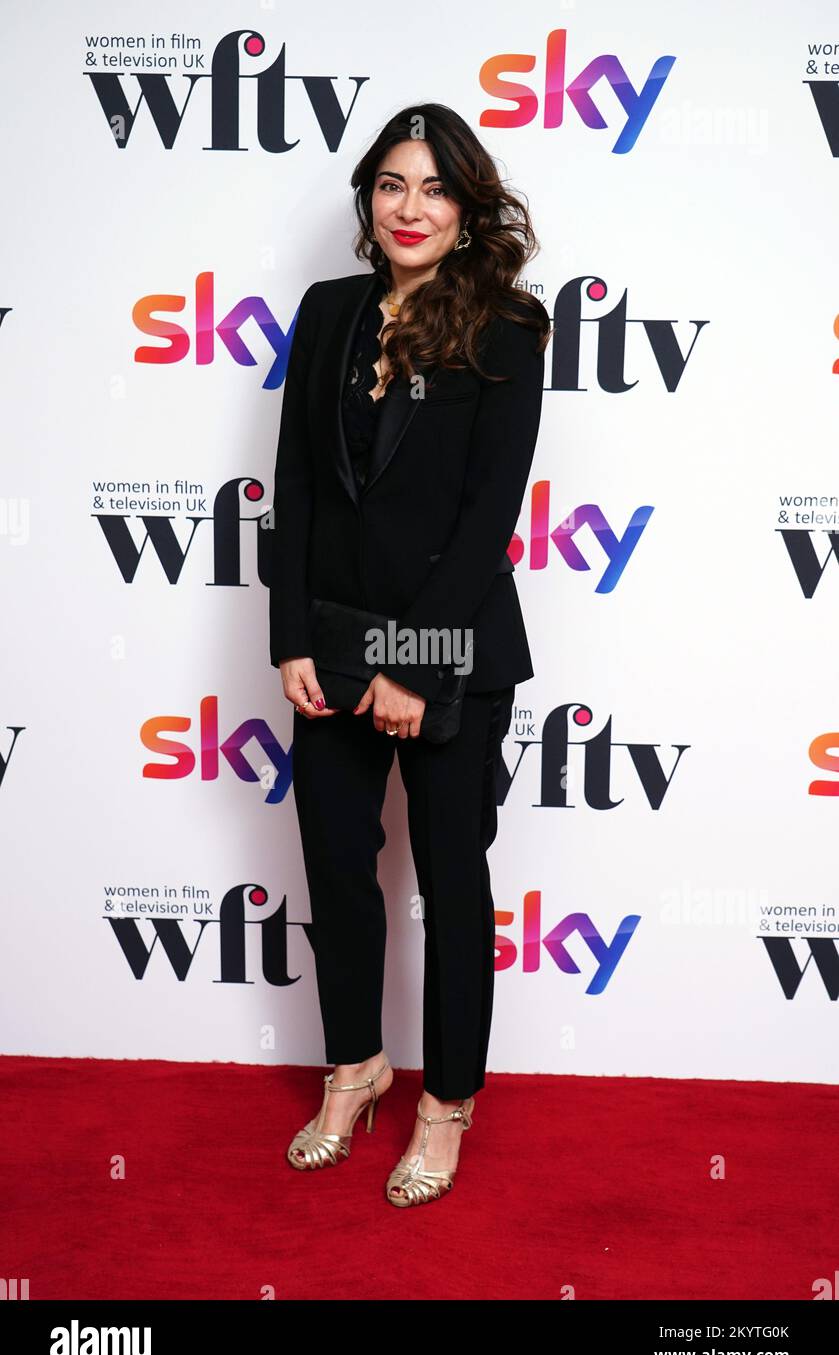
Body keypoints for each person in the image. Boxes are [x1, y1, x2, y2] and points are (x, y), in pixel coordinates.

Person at [268, 103, 551, 1207]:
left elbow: (487, 519)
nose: (410, 207)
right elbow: (293, 483)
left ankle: (444, 1106)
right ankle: (354, 1070)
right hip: (328, 650)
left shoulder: (507, 329)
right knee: (337, 878)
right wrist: (292, 635)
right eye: (391, 184)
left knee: (451, 888)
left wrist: (414, 665)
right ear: (367, 199)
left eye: (434, 188)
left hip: (450, 657)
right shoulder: (329, 311)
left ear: (468, 206)